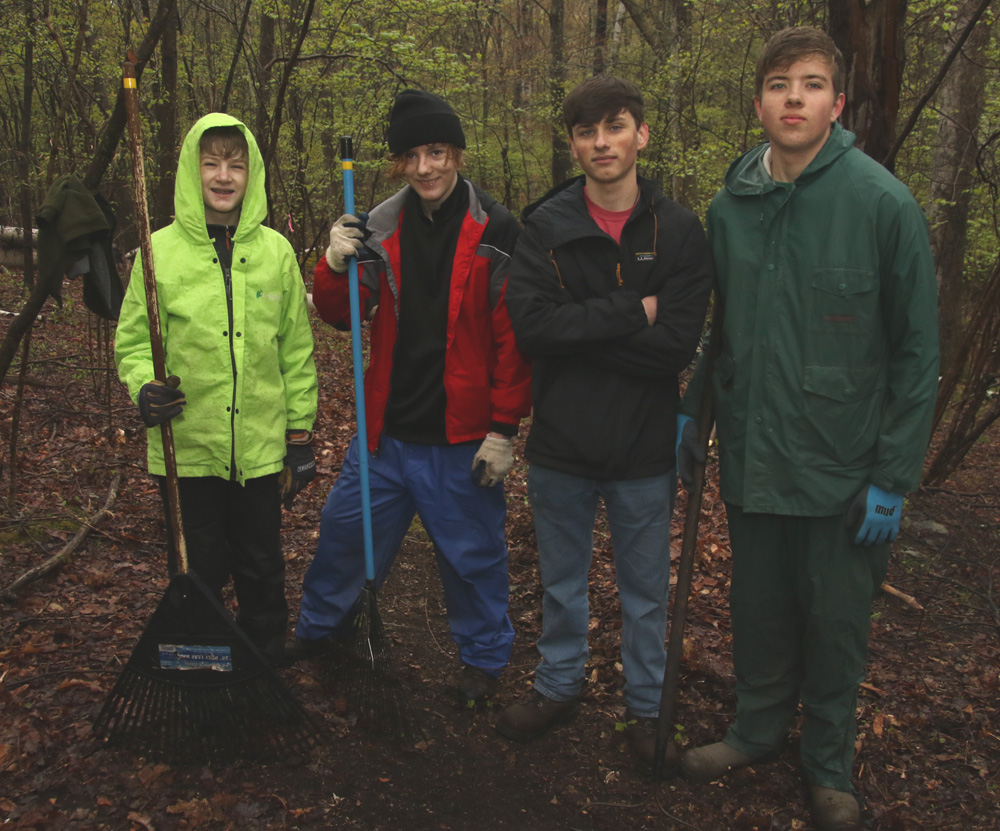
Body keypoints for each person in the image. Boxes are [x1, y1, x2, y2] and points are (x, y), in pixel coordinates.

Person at [675, 27, 939, 831]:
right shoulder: (731, 207)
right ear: (758, 102)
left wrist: (893, 475)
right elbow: (721, 328)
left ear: (838, 103)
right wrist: (695, 408)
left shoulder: (881, 203)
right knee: (758, 609)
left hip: (843, 472)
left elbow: (916, 351)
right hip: (755, 460)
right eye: (781, 84)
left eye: (813, 84)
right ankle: (755, 729)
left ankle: (829, 763)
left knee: (834, 623)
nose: (795, 98)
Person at [289, 90, 531, 708]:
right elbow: (342, 315)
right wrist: (331, 262)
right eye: (413, 155)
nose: (426, 167)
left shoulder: (498, 229)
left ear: (455, 153)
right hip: (386, 435)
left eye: (437, 151)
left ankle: (482, 660)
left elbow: (513, 340)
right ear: (399, 162)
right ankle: (322, 629)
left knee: (472, 558)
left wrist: (504, 428)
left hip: (460, 436)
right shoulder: (378, 224)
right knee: (344, 532)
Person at [498, 75, 713, 767]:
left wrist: (580, 328)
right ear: (573, 145)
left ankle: (646, 710)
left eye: (615, 127)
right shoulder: (548, 227)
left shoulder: (678, 231)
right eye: (587, 132)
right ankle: (558, 686)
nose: (601, 143)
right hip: (560, 444)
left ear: (640, 134)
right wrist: (630, 310)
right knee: (561, 584)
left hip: (643, 449)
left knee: (646, 594)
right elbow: (532, 328)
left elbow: (675, 345)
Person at [115, 113, 319, 666]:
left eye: (236, 164)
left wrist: (299, 435)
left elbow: (295, 351)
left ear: (251, 174)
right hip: (188, 449)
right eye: (212, 163)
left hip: (258, 449)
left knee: (260, 563)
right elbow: (133, 342)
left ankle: (263, 667)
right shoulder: (158, 252)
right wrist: (142, 387)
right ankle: (202, 674)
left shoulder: (276, 252)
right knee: (196, 567)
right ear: (192, 171)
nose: (224, 176)